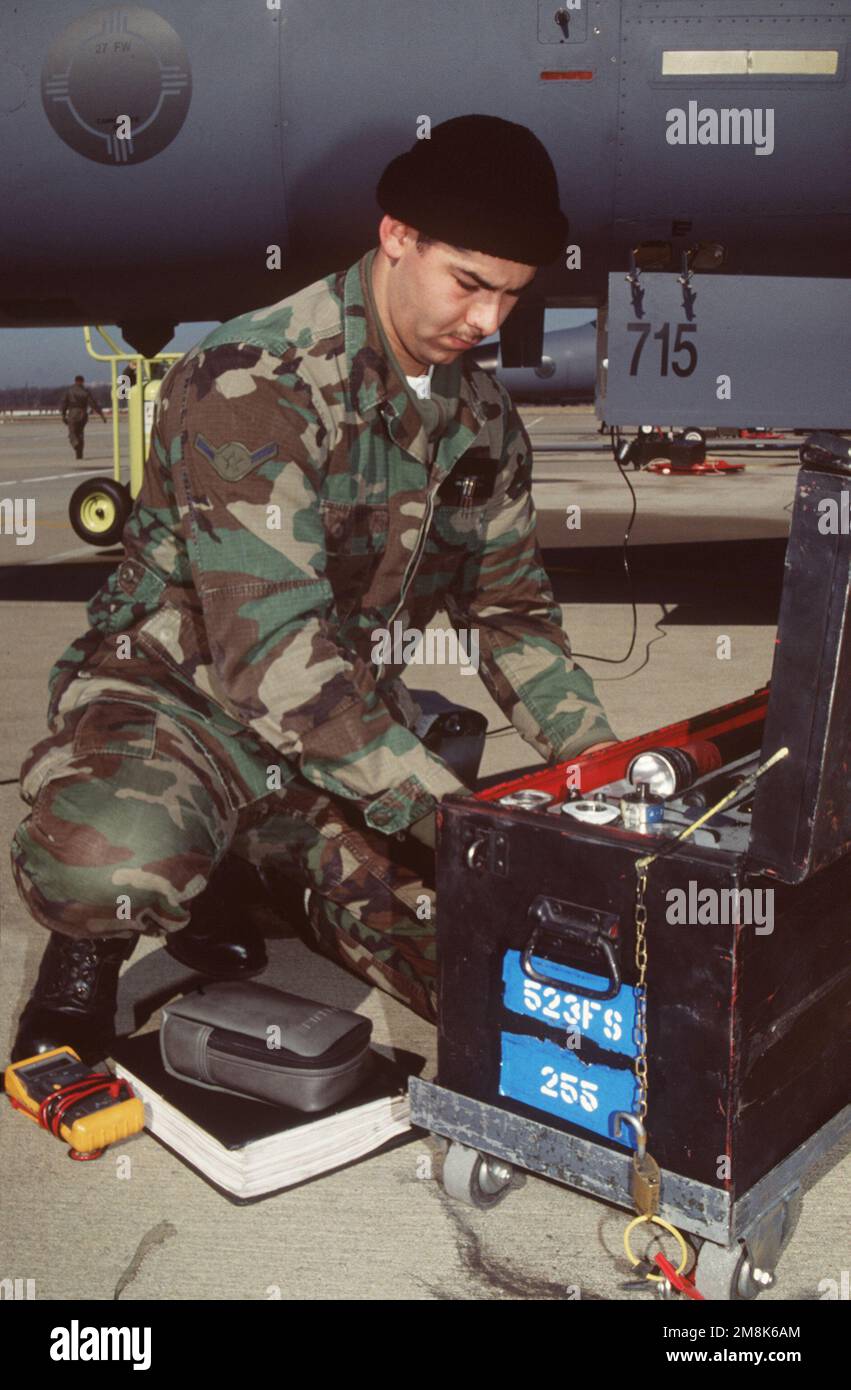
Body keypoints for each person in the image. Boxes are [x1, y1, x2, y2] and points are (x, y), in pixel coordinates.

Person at [10, 114, 616, 1066]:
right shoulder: (255, 380)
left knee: (487, 963)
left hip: (336, 737)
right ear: (396, 238)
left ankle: (249, 872)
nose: (489, 323)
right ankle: (91, 948)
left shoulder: (484, 424)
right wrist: (447, 820)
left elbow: (511, 621)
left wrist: (609, 779)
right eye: (468, 284)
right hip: (183, 711)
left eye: (511, 295)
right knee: (112, 861)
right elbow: (269, 658)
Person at [61, 374, 106, 459]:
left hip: (73, 413)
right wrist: (101, 415)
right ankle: (79, 454)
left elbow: (64, 403)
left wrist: (63, 415)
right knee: (80, 434)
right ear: (82, 382)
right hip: (83, 413)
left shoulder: (69, 391)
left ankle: (75, 444)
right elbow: (93, 404)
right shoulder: (85, 392)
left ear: (75, 381)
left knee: (72, 433)